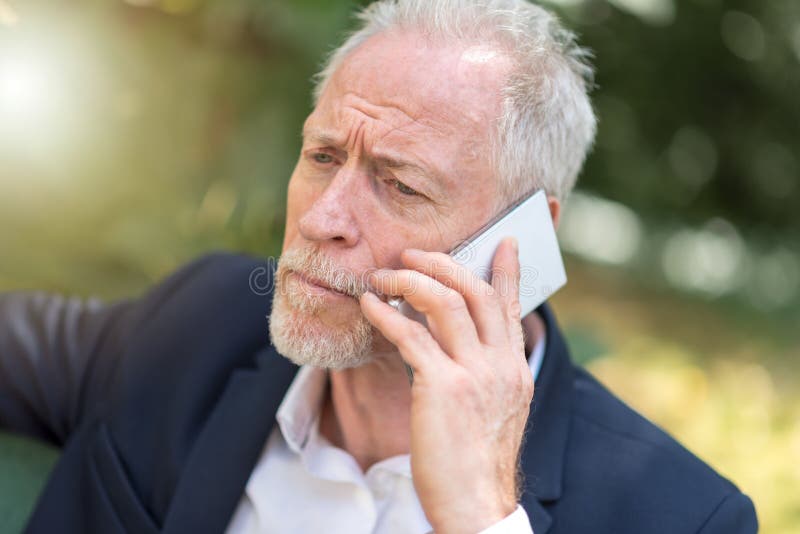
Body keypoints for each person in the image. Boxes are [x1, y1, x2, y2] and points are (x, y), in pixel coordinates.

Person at [0, 1, 757, 533]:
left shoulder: (678, 515)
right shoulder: (202, 321)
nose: (324, 219)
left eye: (400, 185)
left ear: (520, 242)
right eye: (323, 156)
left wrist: (483, 521)